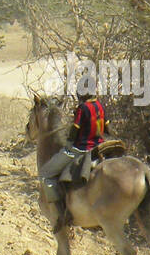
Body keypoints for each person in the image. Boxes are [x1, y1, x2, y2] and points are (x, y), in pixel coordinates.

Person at [40, 93, 109, 229]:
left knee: (46, 173)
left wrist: (69, 142)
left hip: (82, 148)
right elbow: (106, 126)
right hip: (98, 145)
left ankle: (60, 213)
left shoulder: (82, 108)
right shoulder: (100, 106)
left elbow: (75, 129)